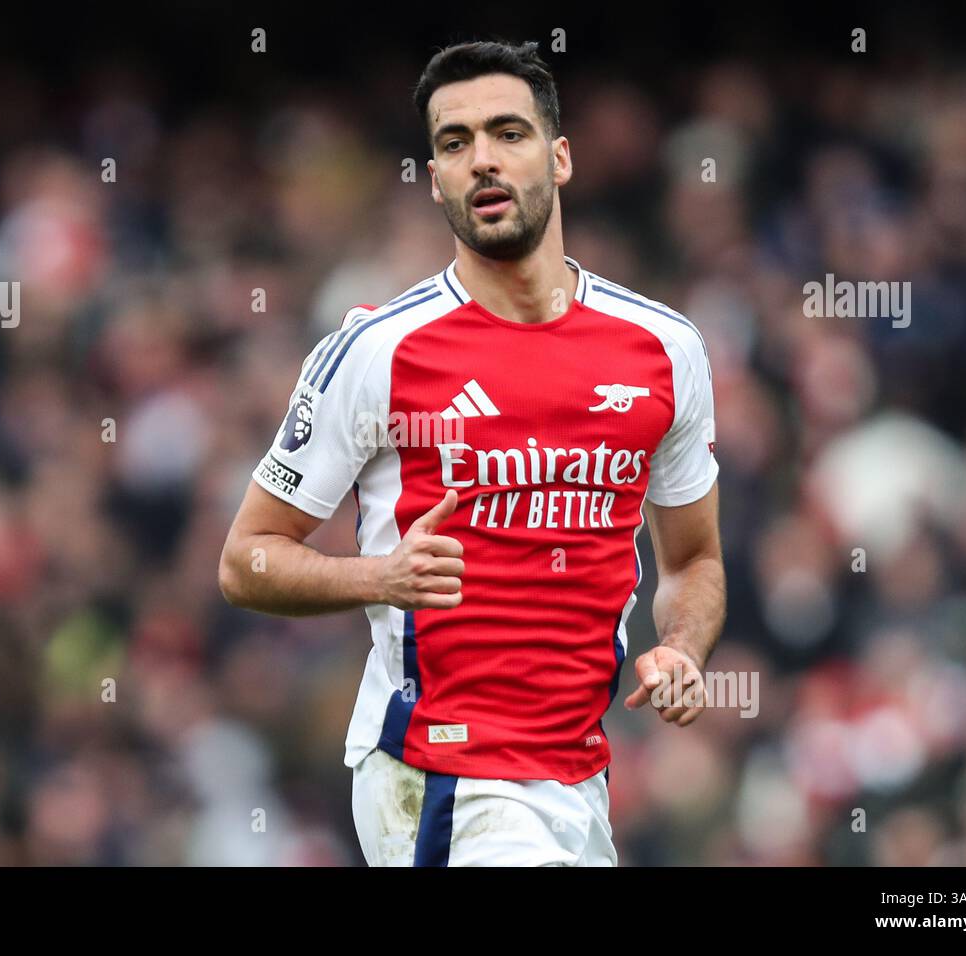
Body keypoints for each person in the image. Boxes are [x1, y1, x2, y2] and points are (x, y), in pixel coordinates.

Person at [219, 39, 725, 866]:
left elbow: (694, 558)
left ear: (559, 158)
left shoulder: (665, 349)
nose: (482, 160)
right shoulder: (377, 351)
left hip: (576, 777)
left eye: (508, 133)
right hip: (437, 769)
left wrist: (683, 648)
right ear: (433, 180)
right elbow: (245, 563)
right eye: (455, 144)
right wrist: (375, 577)